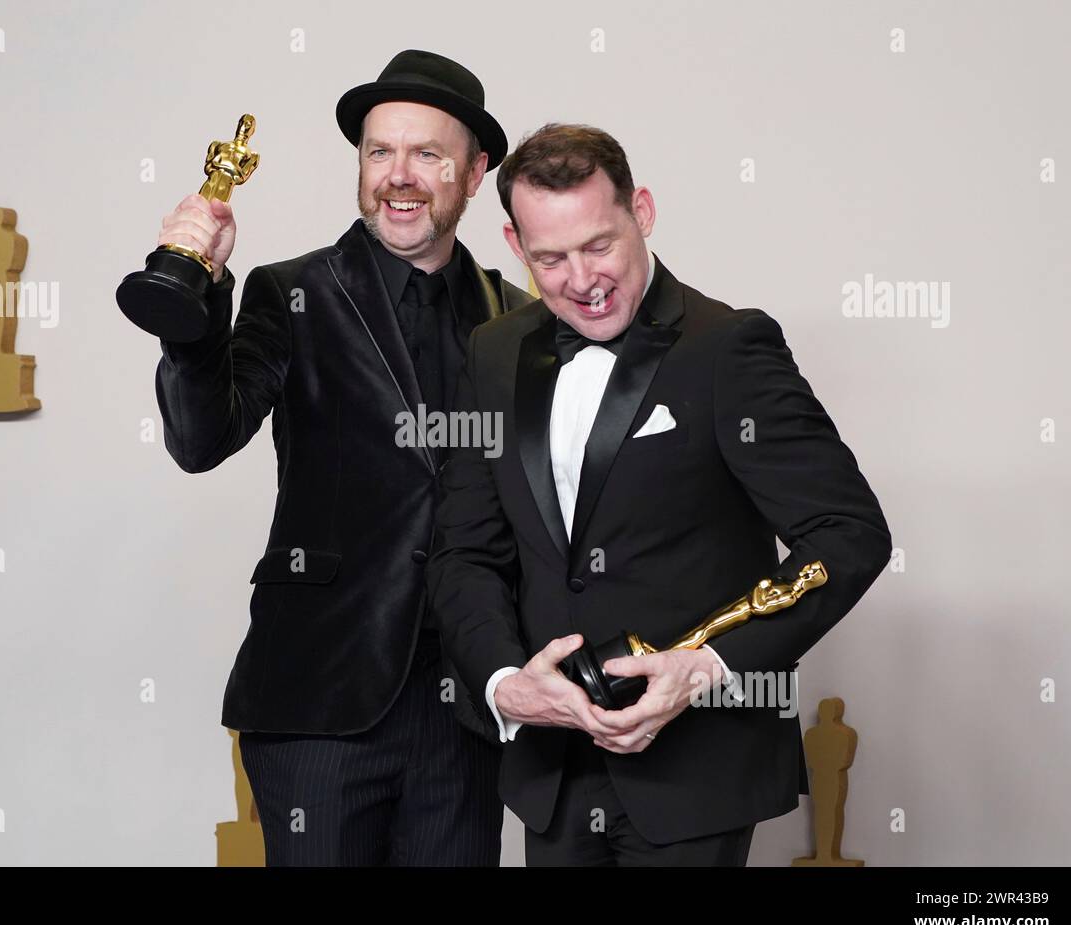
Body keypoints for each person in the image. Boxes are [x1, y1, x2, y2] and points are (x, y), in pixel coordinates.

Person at [427, 123, 892, 866]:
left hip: (694, 772)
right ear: (516, 248)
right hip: (549, 770)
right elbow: (464, 552)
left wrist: (706, 670)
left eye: (599, 244)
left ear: (641, 211)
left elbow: (849, 534)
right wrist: (505, 683)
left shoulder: (728, 347)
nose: (581, 279)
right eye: (550, 258)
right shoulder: (493, 354)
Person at [146, 50, 531, 865]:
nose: (400, 176)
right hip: (318, 699)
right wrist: (195, 313)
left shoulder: (517, 316)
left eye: (428, 154)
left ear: (475, 170)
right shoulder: (292, 292)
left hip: (465, 709)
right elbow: (199, 438)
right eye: (379, 151)